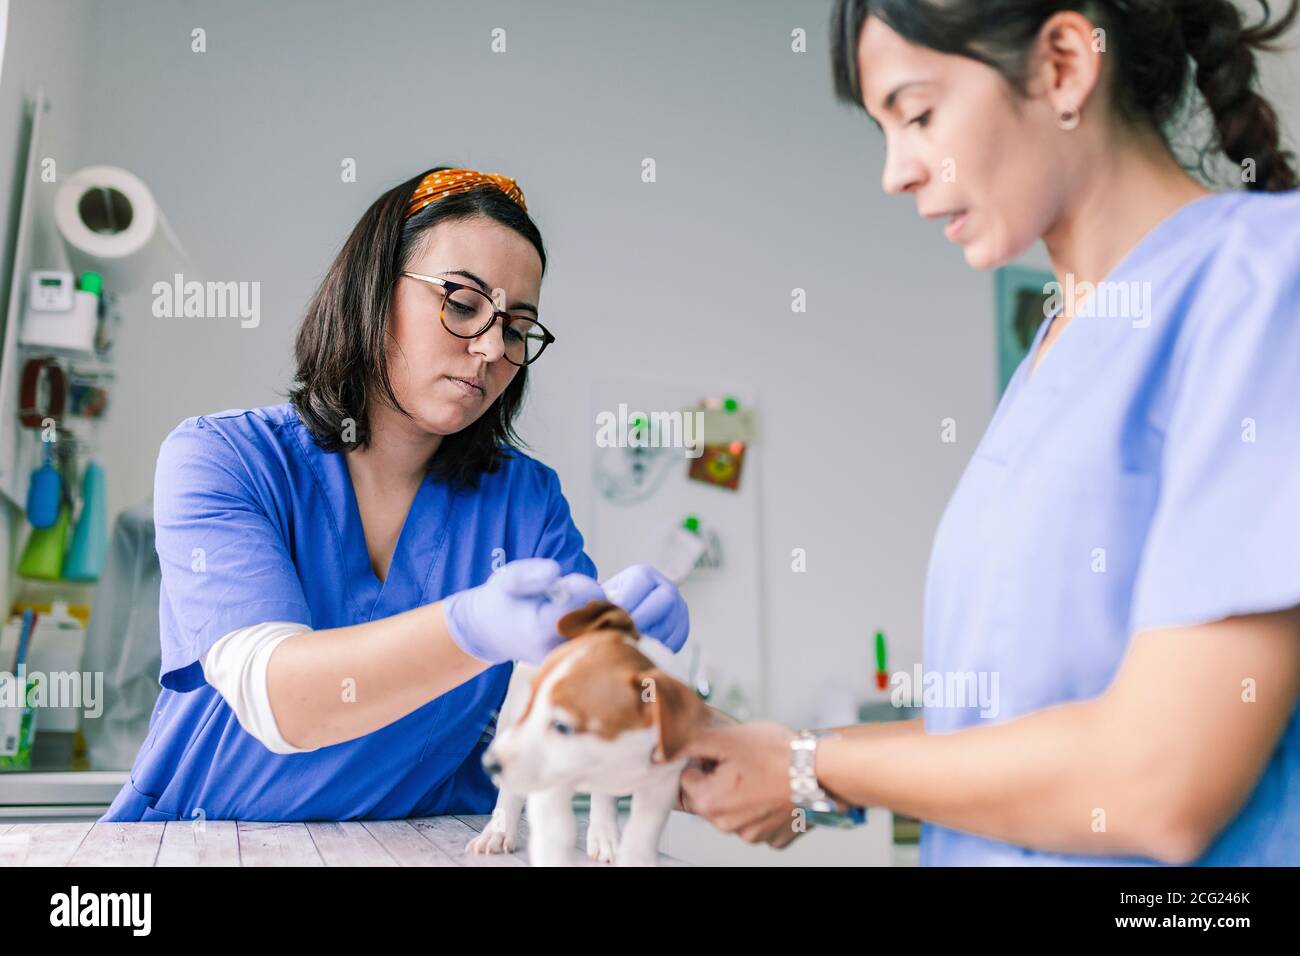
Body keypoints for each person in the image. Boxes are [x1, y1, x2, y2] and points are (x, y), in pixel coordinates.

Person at [680, 0, 1300, 865]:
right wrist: (794, 765)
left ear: (1062, 66)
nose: (895, 171)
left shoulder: (1264, 286)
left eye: (919, 114)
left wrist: (825, 764)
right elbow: (1014, 727)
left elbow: (1160, 781)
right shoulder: (1048, 359)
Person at [101, 167, 688, 822]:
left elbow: (585, 718)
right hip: (196, 848)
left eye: (518, 328)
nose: (492, 348)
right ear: (372, 291)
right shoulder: (225, 460)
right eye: (463, 303)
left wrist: (643, 672)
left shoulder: (525, 503)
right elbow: (281, 701)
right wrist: (470, 627)